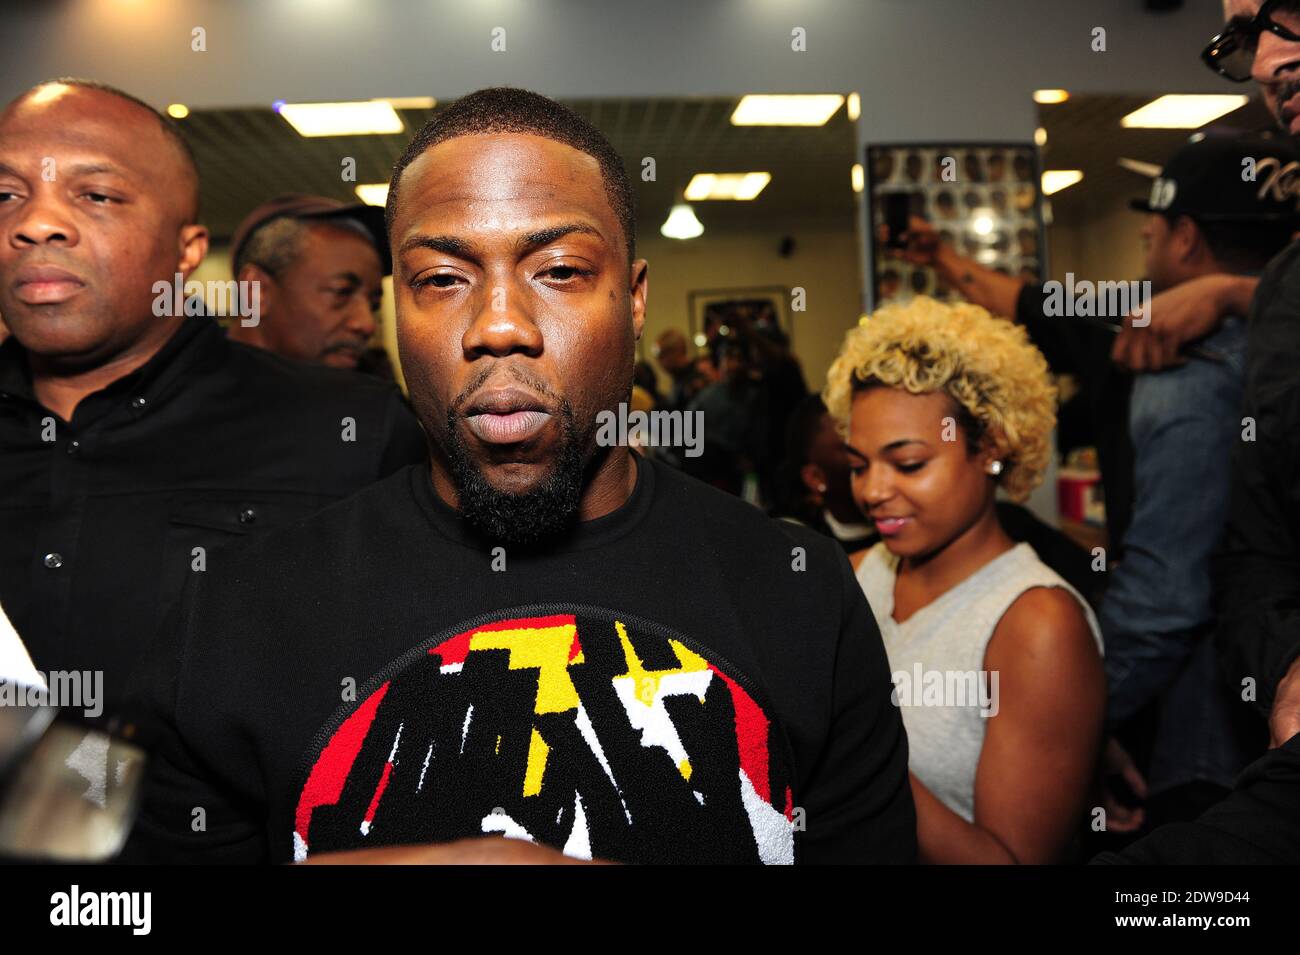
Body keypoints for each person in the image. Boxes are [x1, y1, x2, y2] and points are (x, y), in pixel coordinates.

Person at [122, 87, 915, 866]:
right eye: (441, 278)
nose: (500, 324)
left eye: (560, 270)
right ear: (398, 307)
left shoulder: (798, 591)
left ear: (635, 300)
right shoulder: (237, 615)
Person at [0, 79, 427, 721]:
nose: (36, 224)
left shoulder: (355, 433)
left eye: (96, 195)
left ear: (188, 252)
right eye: (5, 194)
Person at [827, 296, 1104, 864]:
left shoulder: (1038, 626)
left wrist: (854, 740)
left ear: (992, 448)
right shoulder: (858, 577)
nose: (873, 491)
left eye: (908, 464)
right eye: (859, 465)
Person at [1097, 135, 1299, 833]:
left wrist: (1077, 713)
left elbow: (1164, 596)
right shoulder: (1281, 357)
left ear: (1184, 239)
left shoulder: (1191, 378)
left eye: (1150, 235)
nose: (1146, 251)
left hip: (1212, 748)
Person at [1201, 0, 1300, 755]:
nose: (1267, 64)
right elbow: (1256, 547)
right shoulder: (1284, 294)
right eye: (1244, 38)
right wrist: (1287, 666)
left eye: (1288, 9)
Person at [225, 194, 390, 371]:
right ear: (256, 291)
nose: (367, 325)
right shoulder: (195, 391)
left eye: (374, 305)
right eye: (342, 291)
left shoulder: (366, 394)